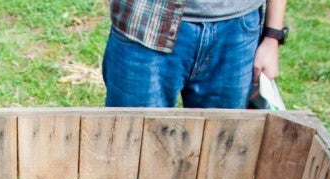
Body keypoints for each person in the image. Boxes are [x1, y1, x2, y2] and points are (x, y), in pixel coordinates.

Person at [101, 0, 288, 109]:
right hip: (146, 22)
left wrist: (272, 35)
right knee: (133, 154)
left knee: (221, 157)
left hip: (237, 30)